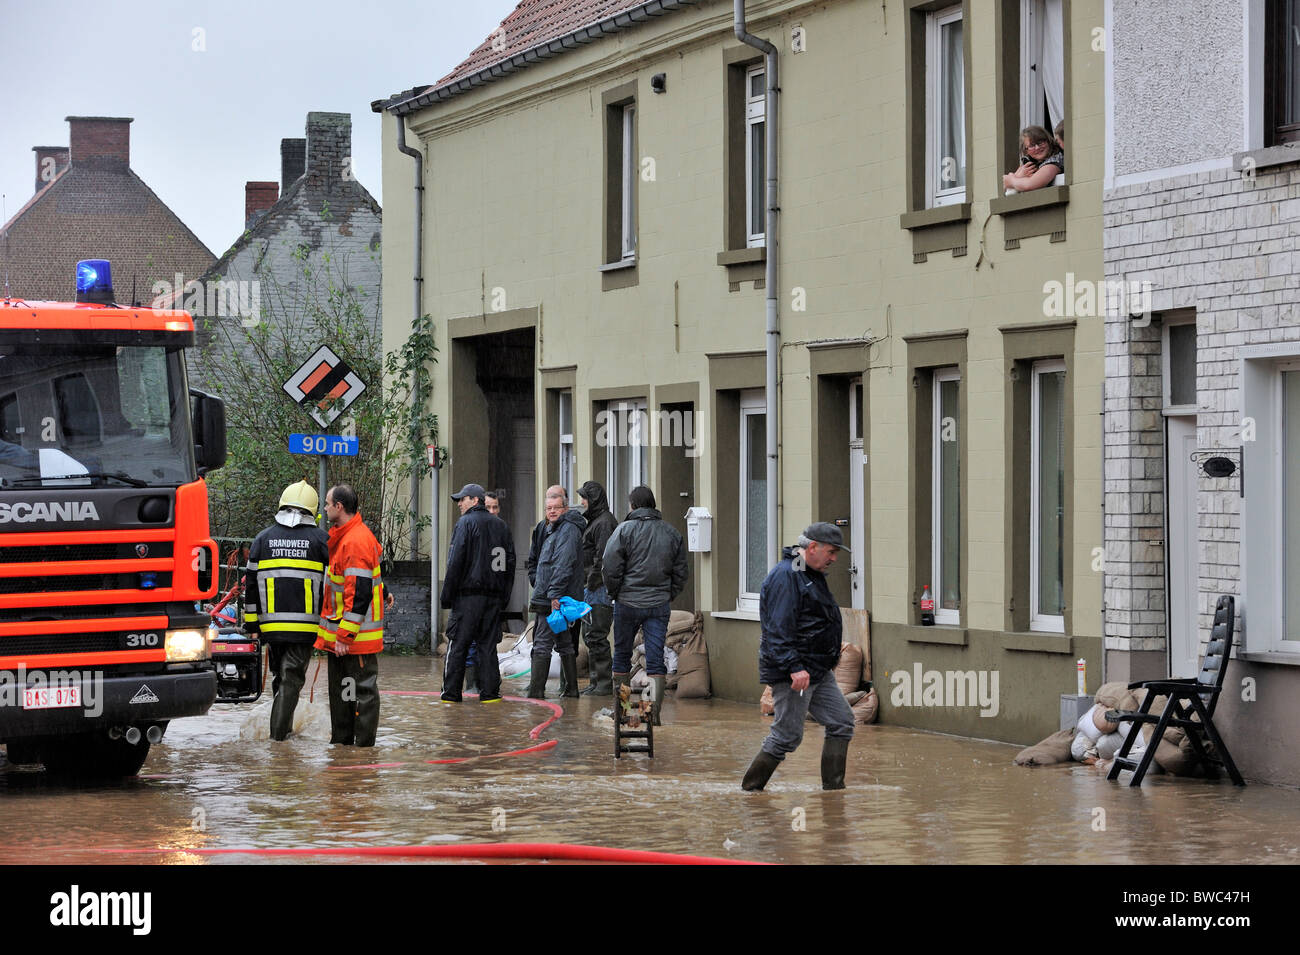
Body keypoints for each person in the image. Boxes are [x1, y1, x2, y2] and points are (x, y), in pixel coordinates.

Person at [742, 523, 855, 792]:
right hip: (795, 671)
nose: (835, 558)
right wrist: (794, 667)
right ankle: (750, 791)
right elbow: (778, 629)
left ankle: (834, 792)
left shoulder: (807, 572)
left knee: (842, 722)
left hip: (817, 669)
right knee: (787, 736)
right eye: (831, 551)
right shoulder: (786, 576)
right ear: (812, 547)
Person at [242, 480, 328, 741]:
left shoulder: (262, 539)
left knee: (281, 677)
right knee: (291, 679)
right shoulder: (322, 540)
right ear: (313, 511)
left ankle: (282, 732)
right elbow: (335, 583)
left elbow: (251, 590)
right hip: (305, 628)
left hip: (271, 629)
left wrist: (252, 627)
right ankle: (278, 740)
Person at [602, 486, 688, 725]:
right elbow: (681, 571)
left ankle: (622, 712)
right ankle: (653, 715)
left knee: (621, 656)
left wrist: (615, 592)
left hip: (627, 603)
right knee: (655, 658)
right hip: (658, 605)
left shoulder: (624, 531)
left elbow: (609, 567)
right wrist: (667, 594)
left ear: (633, 506)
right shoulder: (671, 533)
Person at [314, 484, 386, 746]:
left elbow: (359, 592)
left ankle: (363, 749)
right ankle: (343, 745)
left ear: (339, 507)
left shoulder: (355, 540)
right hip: (344, 638)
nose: (324, 508)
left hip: (354, 640)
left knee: (362, 691)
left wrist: (345, 635)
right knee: (343, 691)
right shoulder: (347, 536)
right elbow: (365, 578)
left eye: (327, 503)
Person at [440, 483, 515, 703]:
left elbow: (455, 562)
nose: (459, 504)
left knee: (457, 646)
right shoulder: (501, 526)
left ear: (474, 500)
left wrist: (447, 596)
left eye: (462, 500)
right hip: (493, 599)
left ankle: (451, 695)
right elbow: (510, 565)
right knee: (488, 647)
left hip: (467, 597)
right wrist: (503, 597)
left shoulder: (465, 523)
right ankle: (490, 694)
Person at [527, 486, 586, 699]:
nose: (551, 511)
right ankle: (571, 690)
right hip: (552, 595)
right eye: (548, 508)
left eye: (556, 507)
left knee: (542, 643)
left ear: (566, 507)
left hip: (555, 598)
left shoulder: (568, 530)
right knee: (563, 642)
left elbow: (563, 564)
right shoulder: (552, 528)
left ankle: (536, 693)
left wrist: (553, 595)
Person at [577, 480, 618, 695]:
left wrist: (592, 582)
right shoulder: (595, 522)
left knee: (596, 635)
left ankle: (602, 684)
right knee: (590, 635)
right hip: (591, 587)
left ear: (593, 500)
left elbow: (603, 556)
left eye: (584, 497)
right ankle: (595, 683)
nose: (581, 502)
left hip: (598, 588)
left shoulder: (604, 523)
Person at [463, 490, 503, 693]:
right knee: (470, 641)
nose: (492, 511)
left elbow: (507, 567)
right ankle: (472, 685)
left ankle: (489, 685)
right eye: (488, 507)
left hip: (493, 598)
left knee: (489, 642)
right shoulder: (470, 530)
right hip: (472, 597)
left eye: (495, 507)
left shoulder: (501, 531)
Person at [1002, 124, 1065, 195]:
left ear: (1048, 141)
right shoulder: (1029, 163)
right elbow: (1004, 185)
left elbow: (1030, 185)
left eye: (1040, 142)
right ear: (1026, 150)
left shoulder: (1054, 162)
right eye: (1032, 145)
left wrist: (1012, 181)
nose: (1037, 147)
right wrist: (1018, 177)